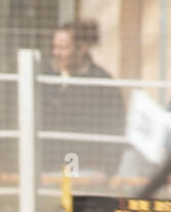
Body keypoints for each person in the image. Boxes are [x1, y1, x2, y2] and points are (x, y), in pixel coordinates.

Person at [41, 20, 124, 178]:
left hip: (87, 171)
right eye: (55, 47)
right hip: (48, 168)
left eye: (63, 48)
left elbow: (116, 127)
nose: (56, 53)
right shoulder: (47, 79)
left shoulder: (101, 82)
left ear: (82, 48)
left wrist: (106, 169)